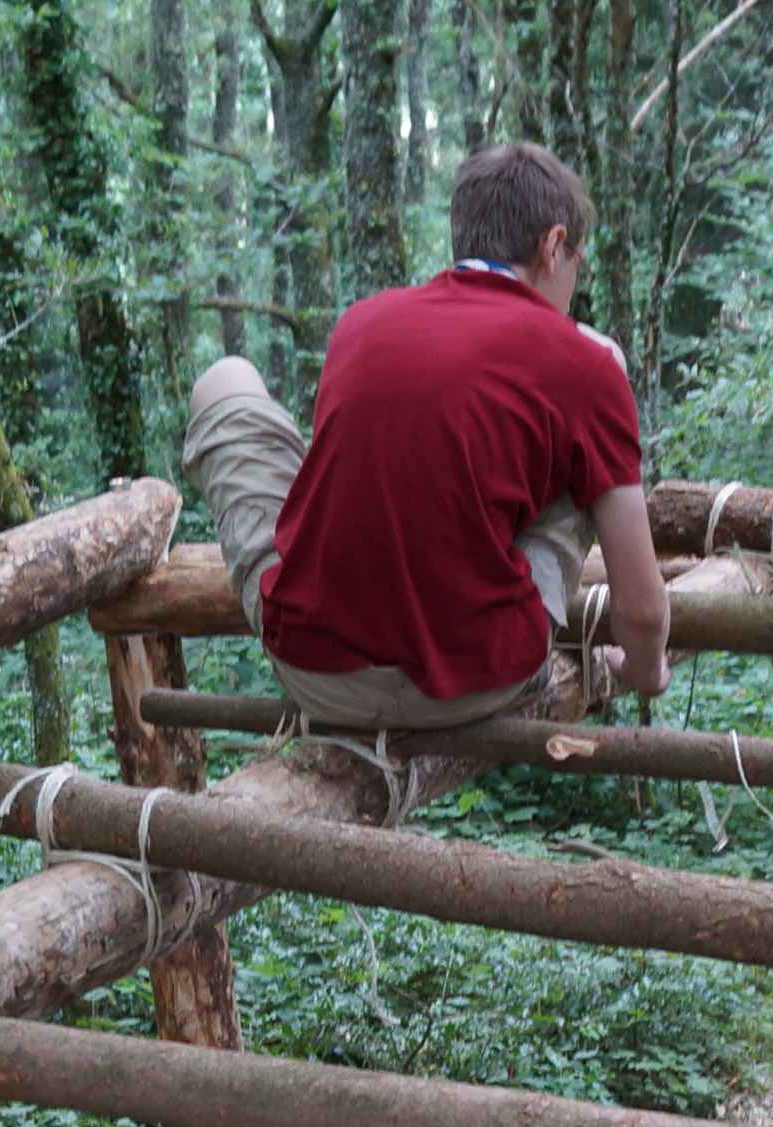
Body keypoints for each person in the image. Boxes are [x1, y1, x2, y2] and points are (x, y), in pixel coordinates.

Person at [178, 141, 672, 734]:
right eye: (575, 262)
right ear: (552, 245)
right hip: (476, 684)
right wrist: (644, 671)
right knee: (597, 392)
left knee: (225, 378)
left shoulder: (361, 322)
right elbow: (641, 612)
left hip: (314, 673)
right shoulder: (584, 367)